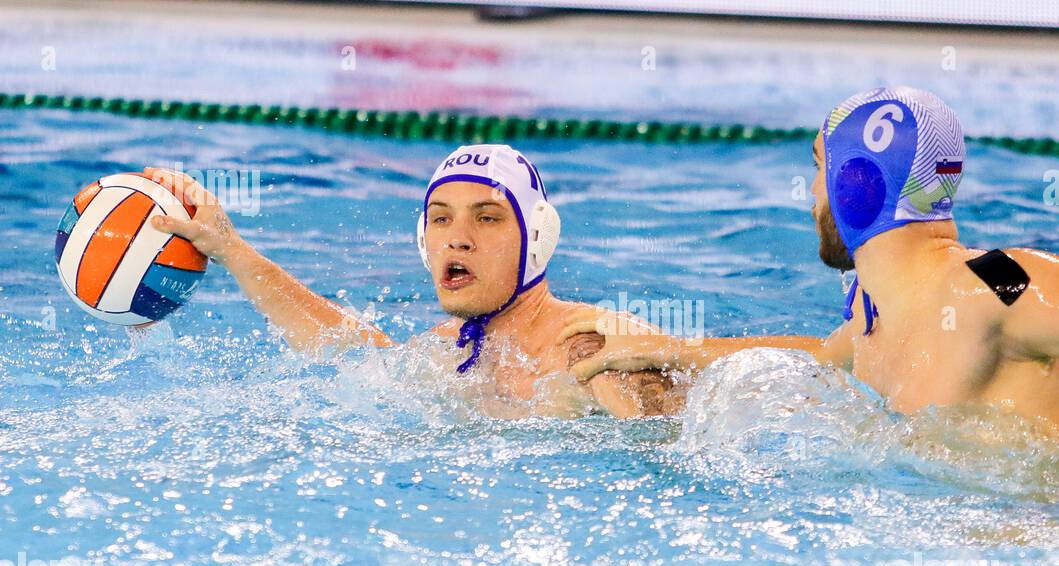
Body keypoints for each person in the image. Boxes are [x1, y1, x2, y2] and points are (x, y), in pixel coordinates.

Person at [565, 87, 1059, 479]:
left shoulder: (990, 282)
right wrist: (673, 349)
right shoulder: (875, 311)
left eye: (819, 169)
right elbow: (819, 357)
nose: (811, 193)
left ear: (853, 182)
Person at [145, 147, 681, 418]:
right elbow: (343, 345)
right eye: (441, 219)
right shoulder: (444, 353)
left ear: (536, 238)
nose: (458, 238)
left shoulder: (588, 341)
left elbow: (665, 434)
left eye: (488, 218)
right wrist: (232, 250)